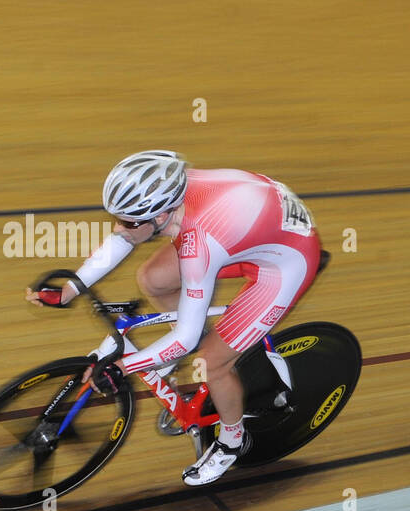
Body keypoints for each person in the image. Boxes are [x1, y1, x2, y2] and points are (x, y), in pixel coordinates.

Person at [26, 150, 324, 486]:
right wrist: (70, 290)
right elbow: (124, 238)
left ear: (162, 215)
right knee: (153, 279)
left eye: (128, 220)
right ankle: (188, 352)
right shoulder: (171, 193)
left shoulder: (199, 242)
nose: (118, 227)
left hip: (286, 263)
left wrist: (123, 368)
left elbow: (184, 333)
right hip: (251, 230)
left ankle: (232, 440)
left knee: (212, 362)